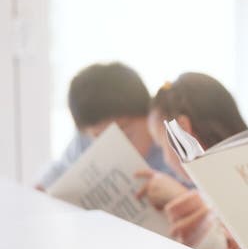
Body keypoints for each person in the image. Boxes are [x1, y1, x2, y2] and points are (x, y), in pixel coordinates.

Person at [136, 72, 248, 249]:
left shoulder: (235, 189)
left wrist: (181, 200)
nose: (163, 156)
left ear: (181, 131)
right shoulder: (245, 170)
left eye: (161, 143)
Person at [37, 62, 175, 191]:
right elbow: (58, 172)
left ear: (148, 117)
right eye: (100, 139)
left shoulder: (171, 152)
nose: (115, 149)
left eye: (126, 136)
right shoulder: (84, 140)